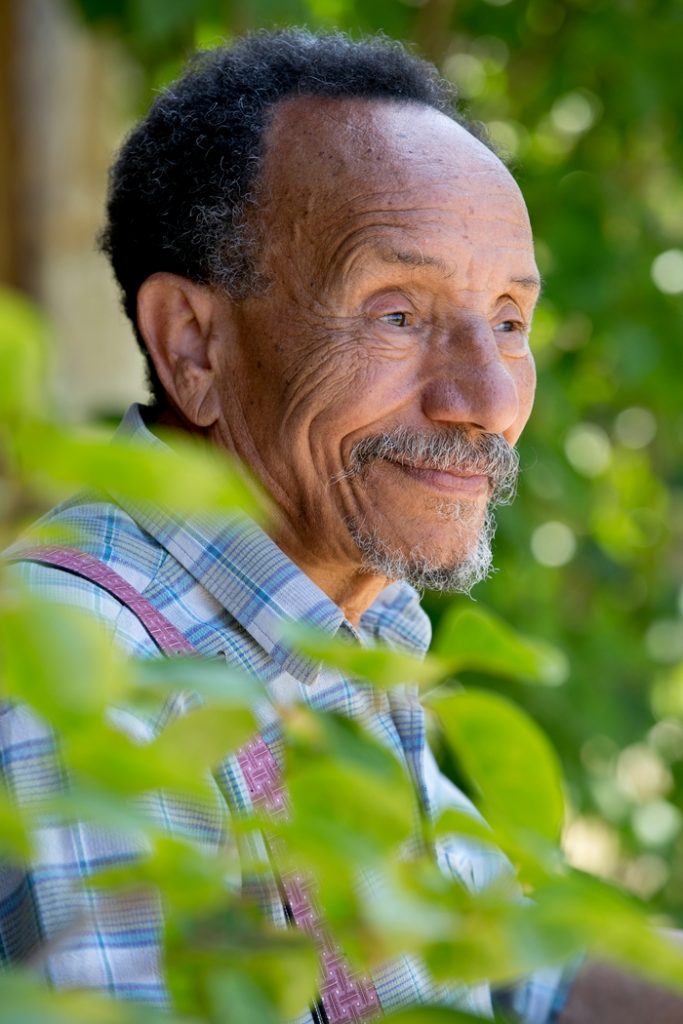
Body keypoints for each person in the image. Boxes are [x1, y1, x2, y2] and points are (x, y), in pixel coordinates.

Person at [3, 28, 683, 1024]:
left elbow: (503, 977)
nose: (485, 400)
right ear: (194, 345)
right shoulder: (81, 679)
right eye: (396, 314)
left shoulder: (331, 626)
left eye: (505, 319)